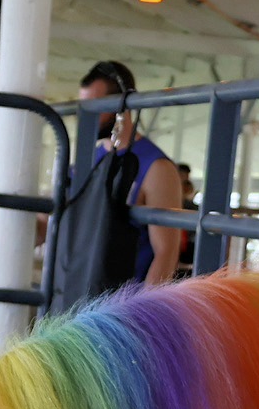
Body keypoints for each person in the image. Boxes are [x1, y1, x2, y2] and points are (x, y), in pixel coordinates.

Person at [78, 60, 187, 285]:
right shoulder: (87, 159)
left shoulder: (157, 168)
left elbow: (166, 253)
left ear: (122, 107)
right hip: (81, 295)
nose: (87, 116)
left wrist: (139, 317)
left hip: (122, 304)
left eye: (97, 106)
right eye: (85, 107)